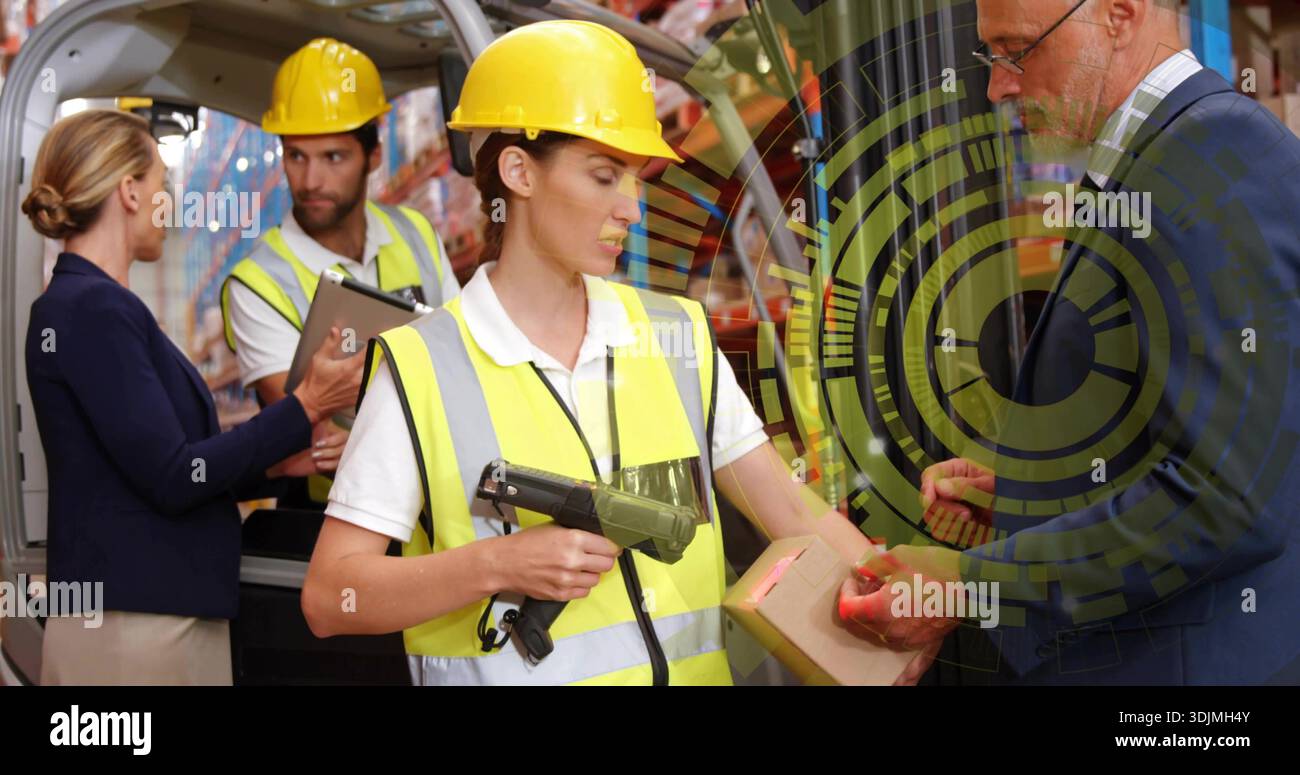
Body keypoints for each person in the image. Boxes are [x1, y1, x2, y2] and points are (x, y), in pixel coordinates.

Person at [300, 20, 890, 686]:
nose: (632, 208)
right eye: (605, 176)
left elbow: (788, 508)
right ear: (518, 171)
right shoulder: (421, 367)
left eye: (635, 179)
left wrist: (898, 588)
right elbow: (330, 598)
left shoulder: (680, 338)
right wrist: (500, 564)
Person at [841, 0, 1300, 684]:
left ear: (1120, 14)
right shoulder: (1160, 157)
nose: (998, 87)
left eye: (1019, 50)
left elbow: (1227, 498)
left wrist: (968, 581)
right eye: (989, 56)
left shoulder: (1205, 154)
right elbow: (1182, 433)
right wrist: (1033, 485)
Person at [21, 108, 364, 685]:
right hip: (135, 629)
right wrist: (304, 406)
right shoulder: (93, 309)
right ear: (129, 192)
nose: (170, 203)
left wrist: (277, 465)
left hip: (147, 618)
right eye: (162, 184)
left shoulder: (93, 305)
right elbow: (176, 477)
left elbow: (165, 467)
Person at [221, 37, 460, 504]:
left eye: (333, 157)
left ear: (372, 157)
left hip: (433, 506)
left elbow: (462, 360)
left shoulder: (414, 231)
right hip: (328, 517)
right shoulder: (257, 284)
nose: (310, 181)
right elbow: (313, 432)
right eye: (296, 157)